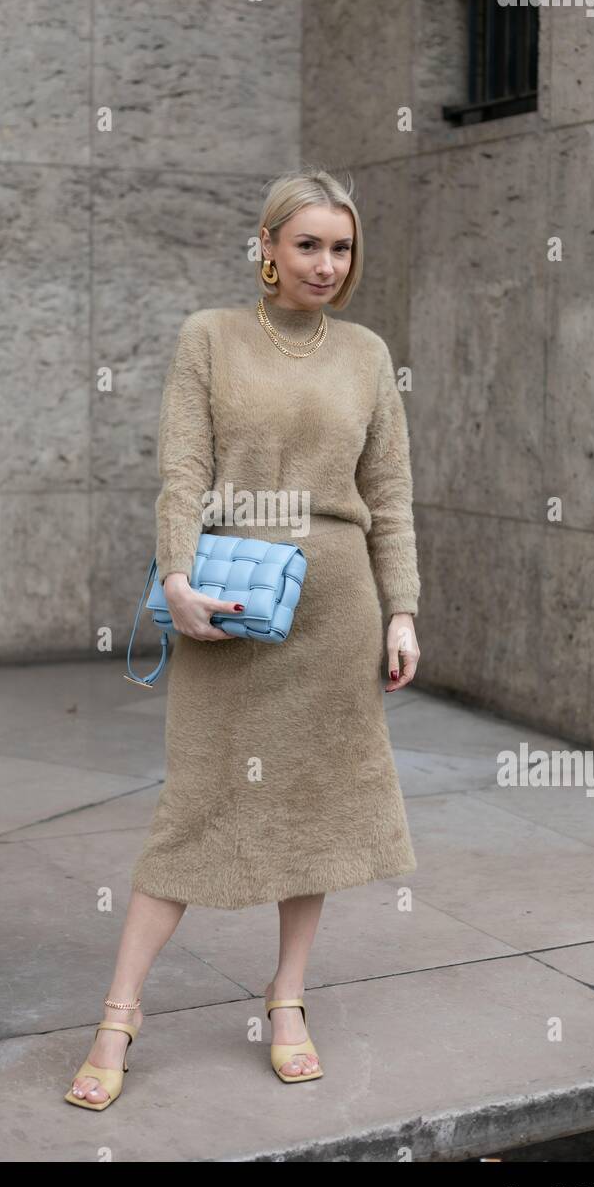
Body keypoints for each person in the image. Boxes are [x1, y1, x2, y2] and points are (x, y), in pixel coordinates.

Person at [66, 166, 421, 1109]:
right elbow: (183, 470)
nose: (325, 264)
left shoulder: (366, 353)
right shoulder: (210, 338)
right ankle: (118, 1014)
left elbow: (389, 495)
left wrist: (403, 610)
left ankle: (288, 1000)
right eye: (306, 244)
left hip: (338, 609)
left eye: (340, 247)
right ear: (265, 248)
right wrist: (175, 579)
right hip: (230, 609)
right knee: (195, 807)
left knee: (314, 812)